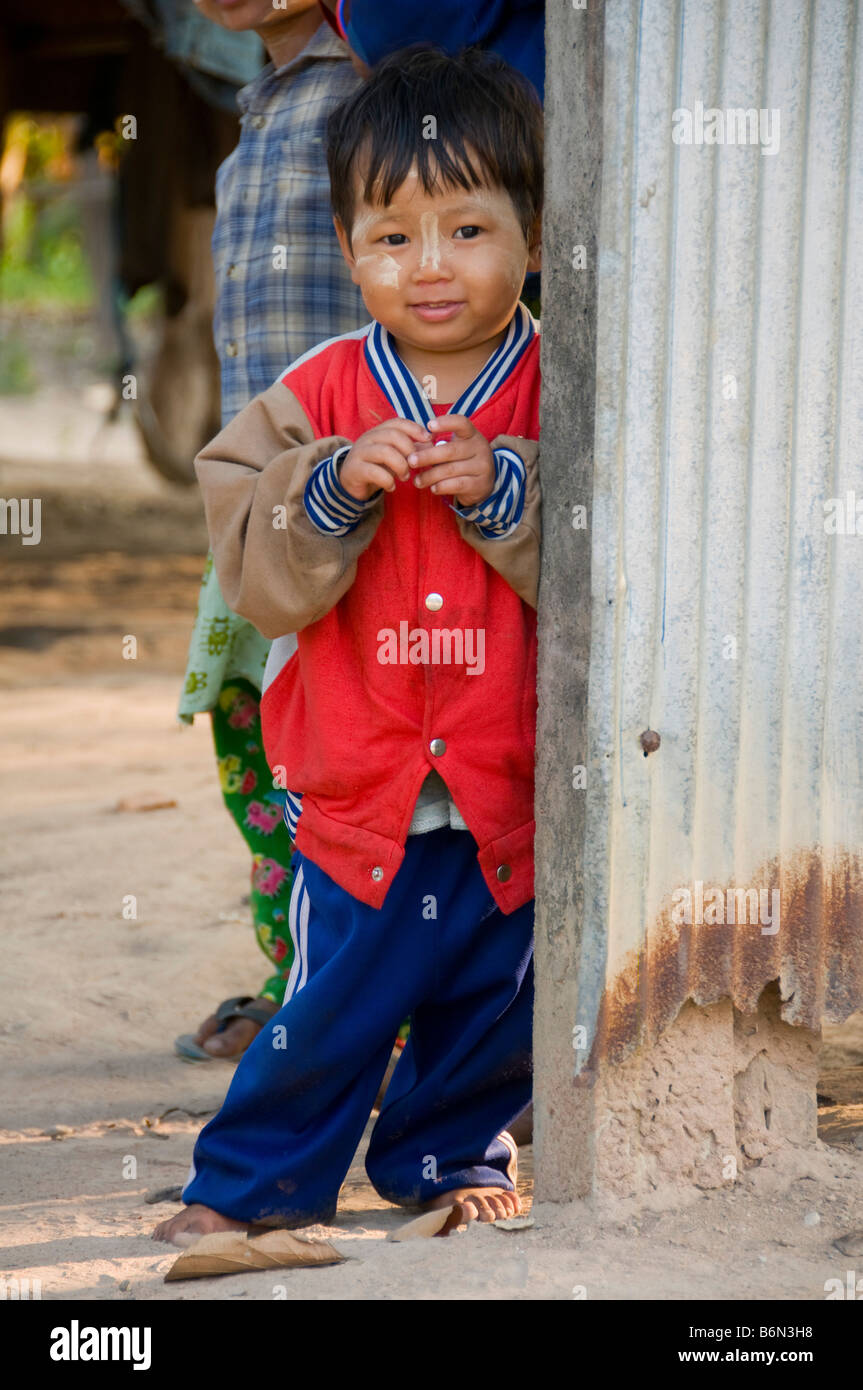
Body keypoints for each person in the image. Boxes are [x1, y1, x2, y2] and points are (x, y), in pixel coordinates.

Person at [155, 43, 542, 1241]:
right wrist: (319, 489)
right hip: (361, 771)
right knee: (329, 1001)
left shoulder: (566, 391)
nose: (429, 268)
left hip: (505, 773)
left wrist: (510, 486)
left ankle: (446, 1161)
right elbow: (245, 543)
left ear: (532, 227)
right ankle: (253, 1190)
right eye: (391, 237)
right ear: (346, 248)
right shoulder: (314, 396)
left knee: (494, 998)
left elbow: (615, 549)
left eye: (467, 230)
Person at [175, 0, 368, 1060]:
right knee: (255, 740)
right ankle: (295, 976)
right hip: (257, 503)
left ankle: (359, 999)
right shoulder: (255, 108)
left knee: (348, 755)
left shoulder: (372, 87)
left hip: (354, 504)